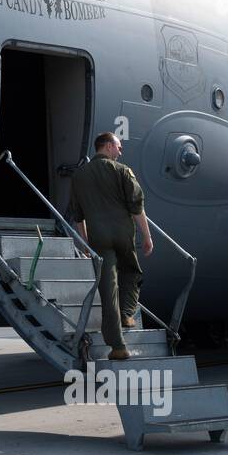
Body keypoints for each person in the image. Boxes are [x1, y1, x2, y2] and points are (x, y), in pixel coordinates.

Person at [69, 132, 152, 361]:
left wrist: (85, 243)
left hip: (98, 238)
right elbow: (136, 207)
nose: (120, 151)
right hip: (122, 235)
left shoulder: (79, 176)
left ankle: (117, 347)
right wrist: (147, 235)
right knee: (133, 271)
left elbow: (78, 215)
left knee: (108, 290)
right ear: (107, 146)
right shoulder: (122, 171)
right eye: (118, 146)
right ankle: (127, 314)